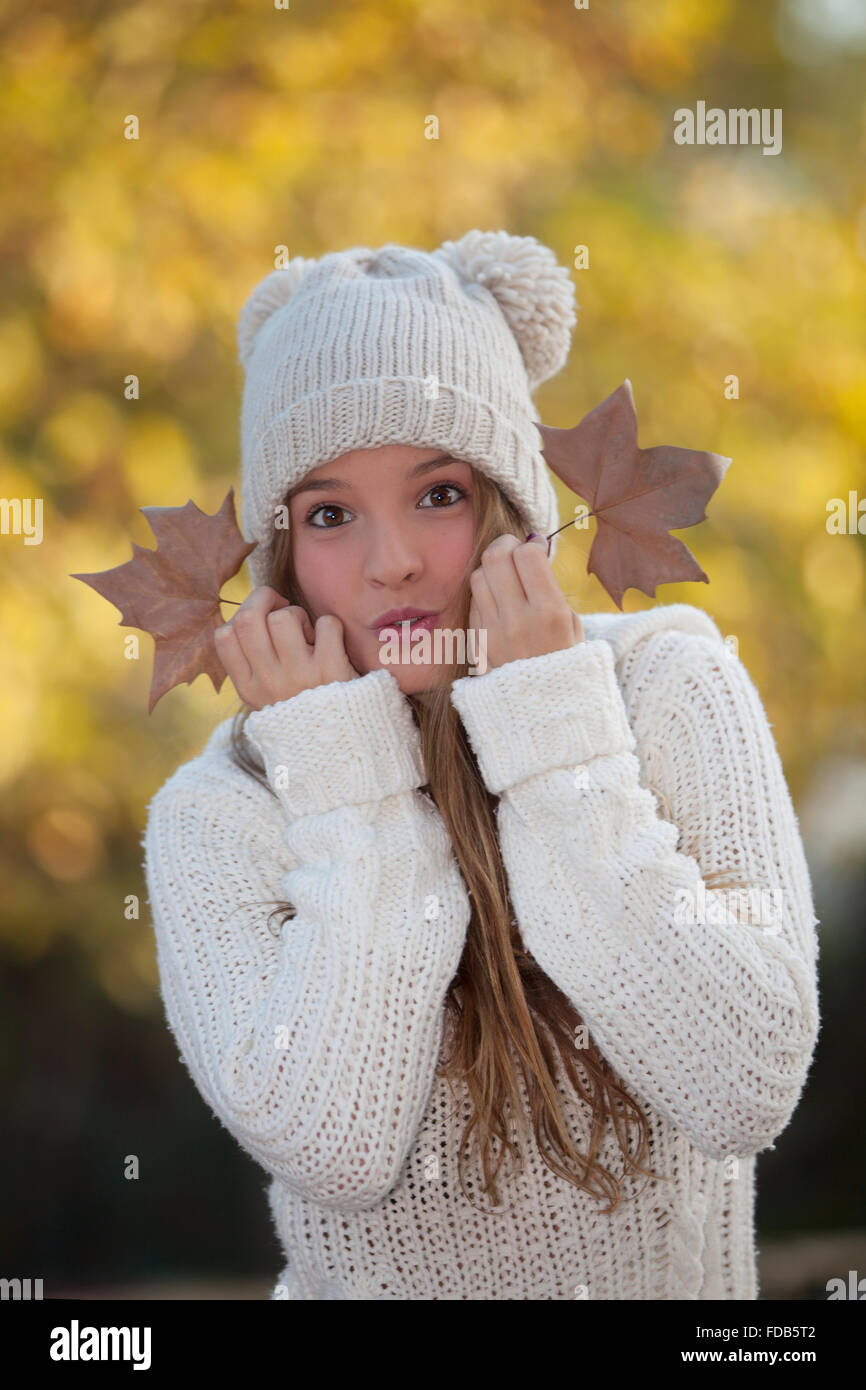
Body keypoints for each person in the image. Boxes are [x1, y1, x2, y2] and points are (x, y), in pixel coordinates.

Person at [143, 231, 820, 1300]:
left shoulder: (662, 689)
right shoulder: (223, 814)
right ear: (279, 553)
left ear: (511, 510)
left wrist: (554, 738)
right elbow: (335, 1146)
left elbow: (740, 1081)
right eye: (329, 513)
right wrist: (350, 788)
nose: (392, 558)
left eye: (438, 494)